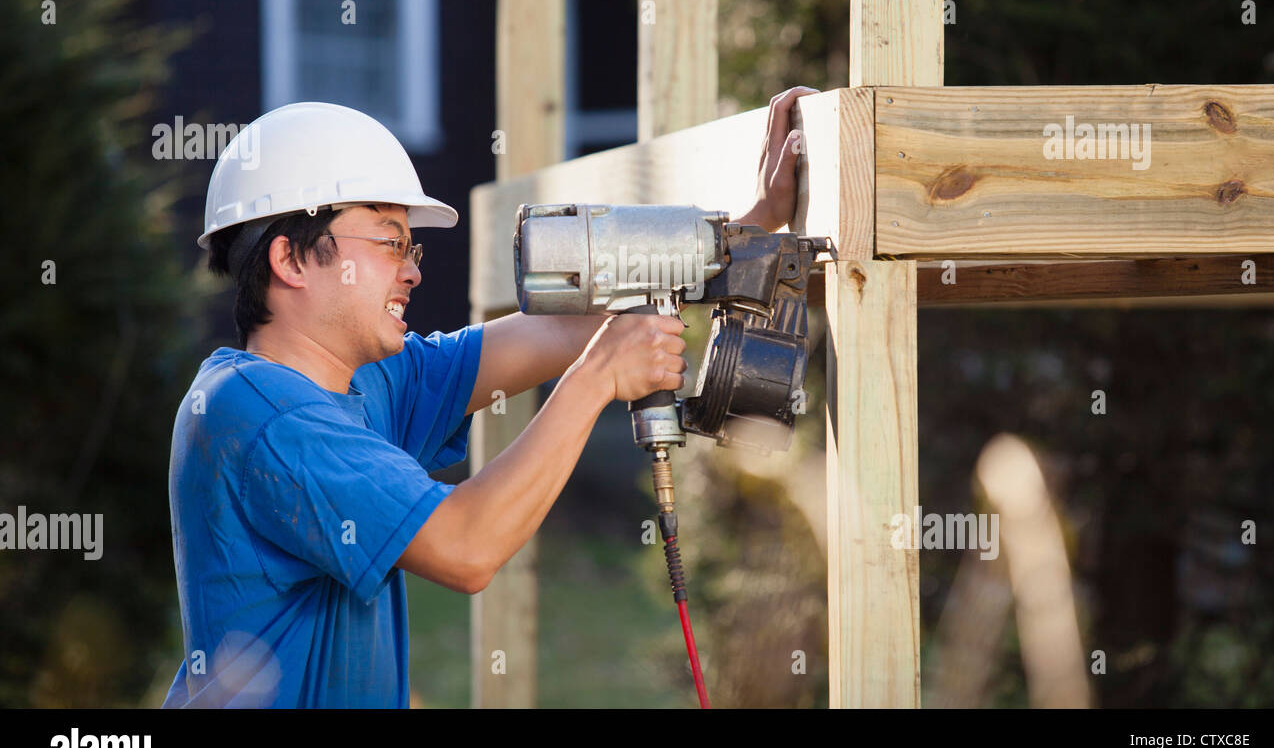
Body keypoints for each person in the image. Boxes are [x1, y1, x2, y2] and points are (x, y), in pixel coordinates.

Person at [162, 87, 815, 707]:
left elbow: (560, 328)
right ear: (292, 260)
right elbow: (466, 547)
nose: (414, 269)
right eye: (390, 242)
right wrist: (595, 381)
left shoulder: (361, 380)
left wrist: (752, 228)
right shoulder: (260, 413)